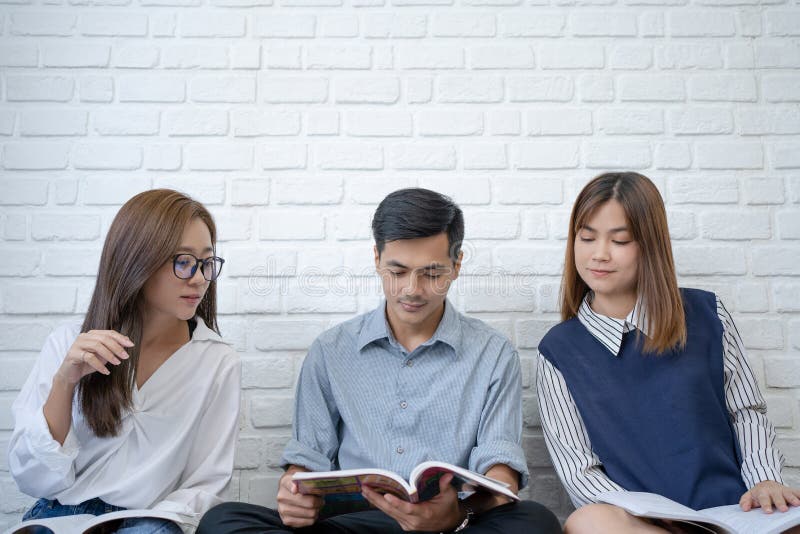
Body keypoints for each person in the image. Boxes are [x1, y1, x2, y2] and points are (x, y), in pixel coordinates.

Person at [199, 188, 560, 533]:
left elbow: (501, 475)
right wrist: (294, 494)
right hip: (352, 520)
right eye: (397, 271)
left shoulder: (493, 352)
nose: (412, 290)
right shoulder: (331, 350)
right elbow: (306, 463)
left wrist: (456, 512)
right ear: (376, 259)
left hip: (450, 522)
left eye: (432, 273)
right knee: (223, 522)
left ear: (457, 264)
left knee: (535, 522)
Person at [535, 172, 800, 533]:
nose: (599, 254)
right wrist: (650, 517)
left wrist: (765, 480)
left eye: (621, 240)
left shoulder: (707, 314)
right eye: (586, 238)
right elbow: (580, 472)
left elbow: (746, 411)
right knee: (588, 521)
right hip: (648, 525)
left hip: (736, 510)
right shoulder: (558, 351)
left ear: (650, 244)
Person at [8, 189, 241, 534]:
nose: (199, 278)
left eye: (206, 263)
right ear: (138, 261)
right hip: (61, 516)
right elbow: (34, 479)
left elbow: (205, 484)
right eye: (183, 261)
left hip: (152, 522)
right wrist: (64, 382)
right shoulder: (69, 343)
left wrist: (153, 523)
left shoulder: (217, 361)